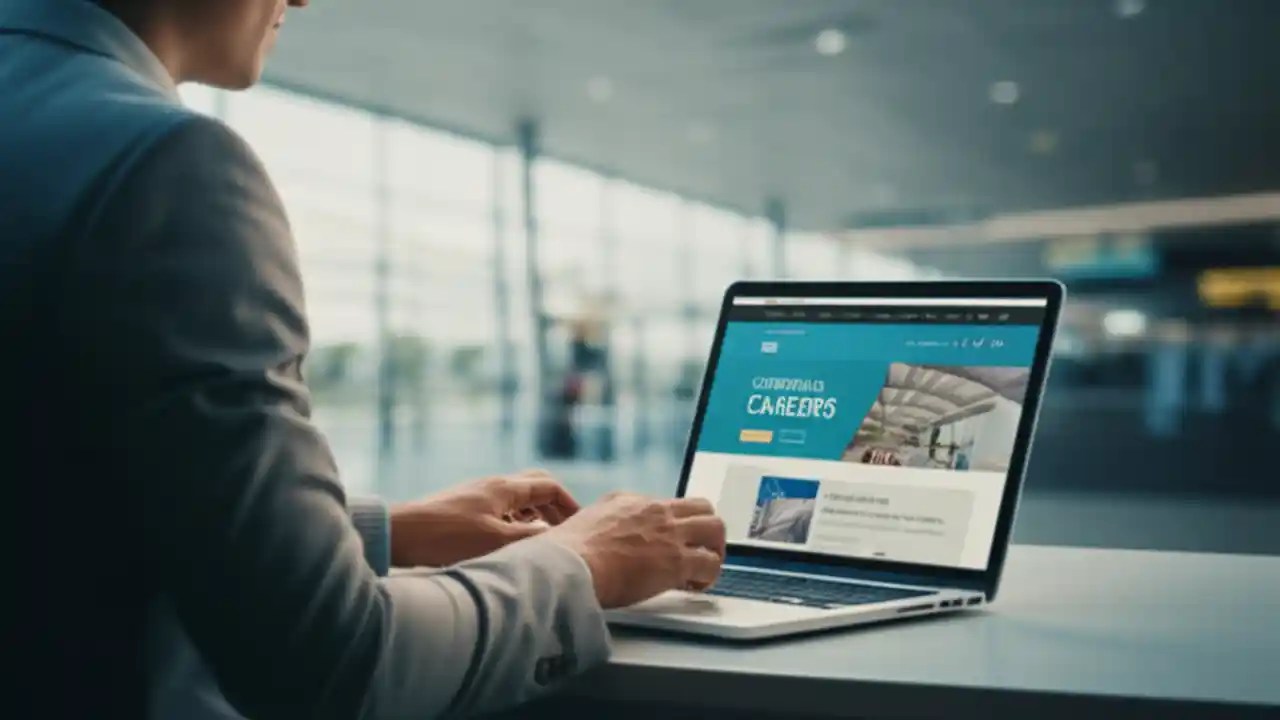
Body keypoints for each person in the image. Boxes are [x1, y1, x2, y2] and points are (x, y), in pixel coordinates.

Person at [0, 1, 726, 718]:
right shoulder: (165, 163)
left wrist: (381, 532)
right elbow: (330, 662)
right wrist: (582, 562)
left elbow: (60, 513)